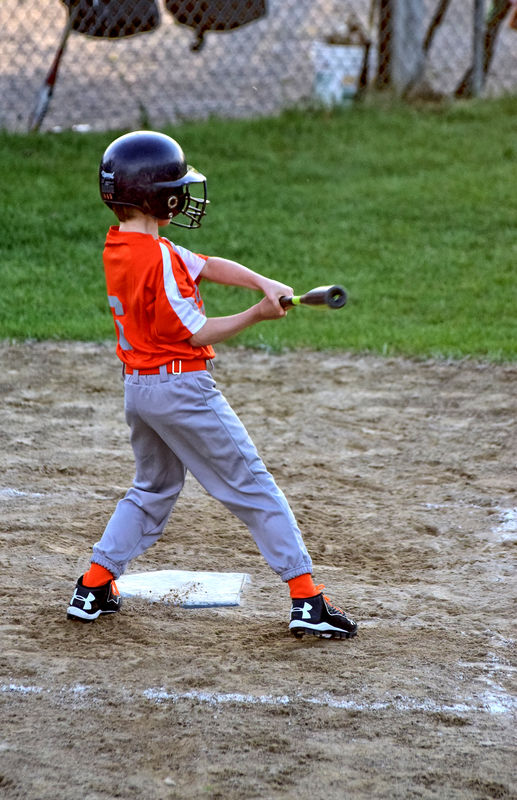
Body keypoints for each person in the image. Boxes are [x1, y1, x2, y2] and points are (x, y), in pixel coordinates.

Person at [66, 130, 357, 640]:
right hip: (182, 391)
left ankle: (94, 585)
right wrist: (257, 314)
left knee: (152, 488)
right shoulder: (155, 257)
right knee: (254, 487)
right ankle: (308, 598)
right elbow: (196, 330)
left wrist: (263, 282)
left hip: (141, 391)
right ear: (160, 197)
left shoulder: (123, 246)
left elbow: (201, 264)